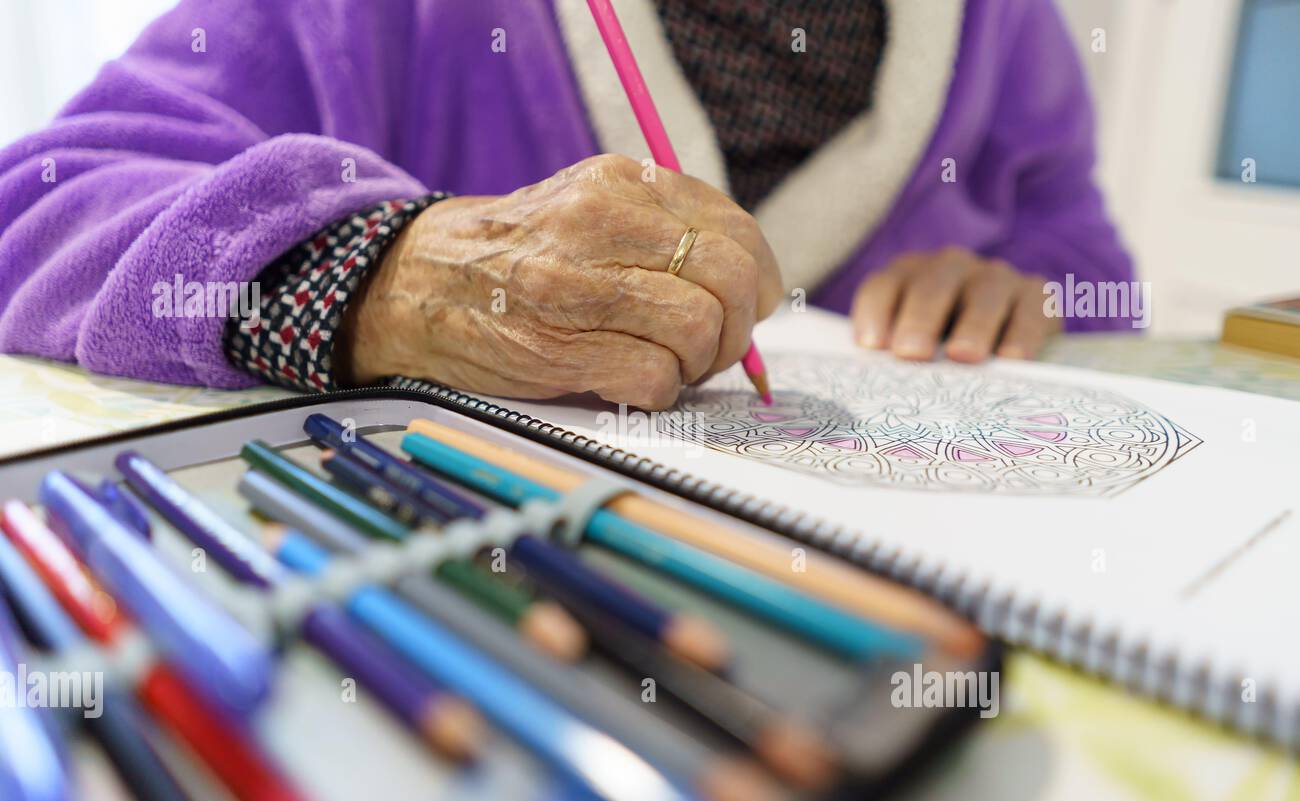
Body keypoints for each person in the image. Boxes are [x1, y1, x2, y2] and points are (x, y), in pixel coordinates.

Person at [0, 0, 1132, 409]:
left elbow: (1084, 256)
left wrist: (1028, 291)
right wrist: (380, 274)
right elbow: (44, 197)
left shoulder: (1007, 29)